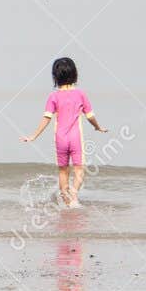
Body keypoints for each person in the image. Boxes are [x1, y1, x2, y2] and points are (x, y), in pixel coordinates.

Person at [20, 56, 106, 206]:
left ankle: (66, 202)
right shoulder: (80, 94)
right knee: (79, 170)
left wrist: (33, 136)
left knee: (63, 171)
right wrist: (97, 127)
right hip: (75, 138)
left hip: (60, 139)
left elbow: (46, 118)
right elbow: (90, 116)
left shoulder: (53, 96)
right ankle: (73, 195)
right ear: (75, 74)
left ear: (55, 76)